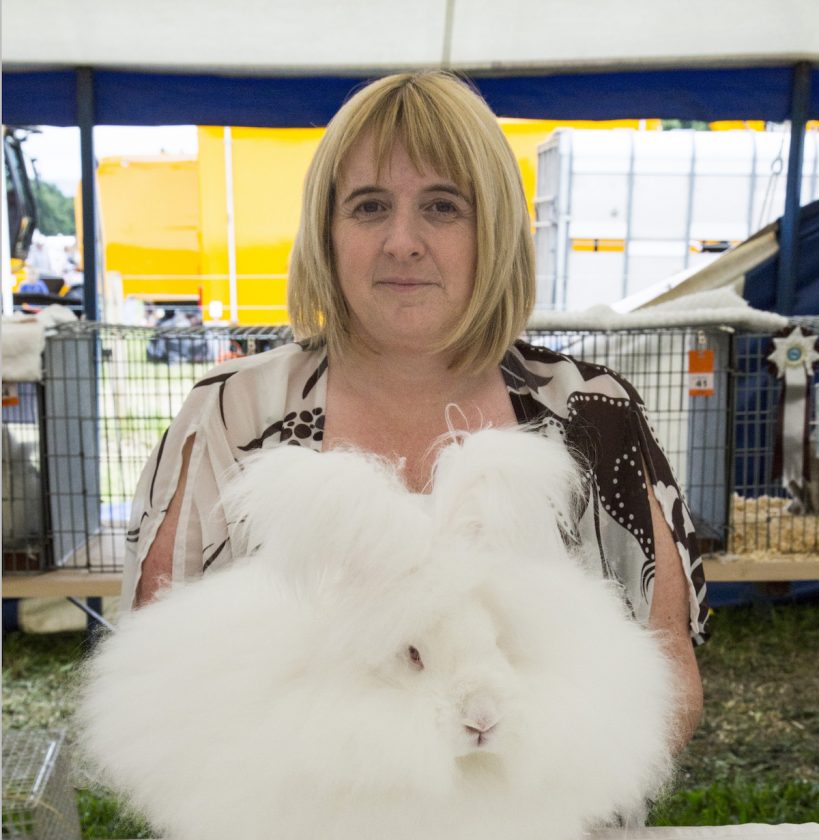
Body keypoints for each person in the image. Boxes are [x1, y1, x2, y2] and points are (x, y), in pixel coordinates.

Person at [124, 71, 706, 750]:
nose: (402, 240)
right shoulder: (230, 412)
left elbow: (669, 690)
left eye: (441, 207)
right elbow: (159, 682)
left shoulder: (591, 412)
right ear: (326, 232)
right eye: (369, 207)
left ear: (491, 232)